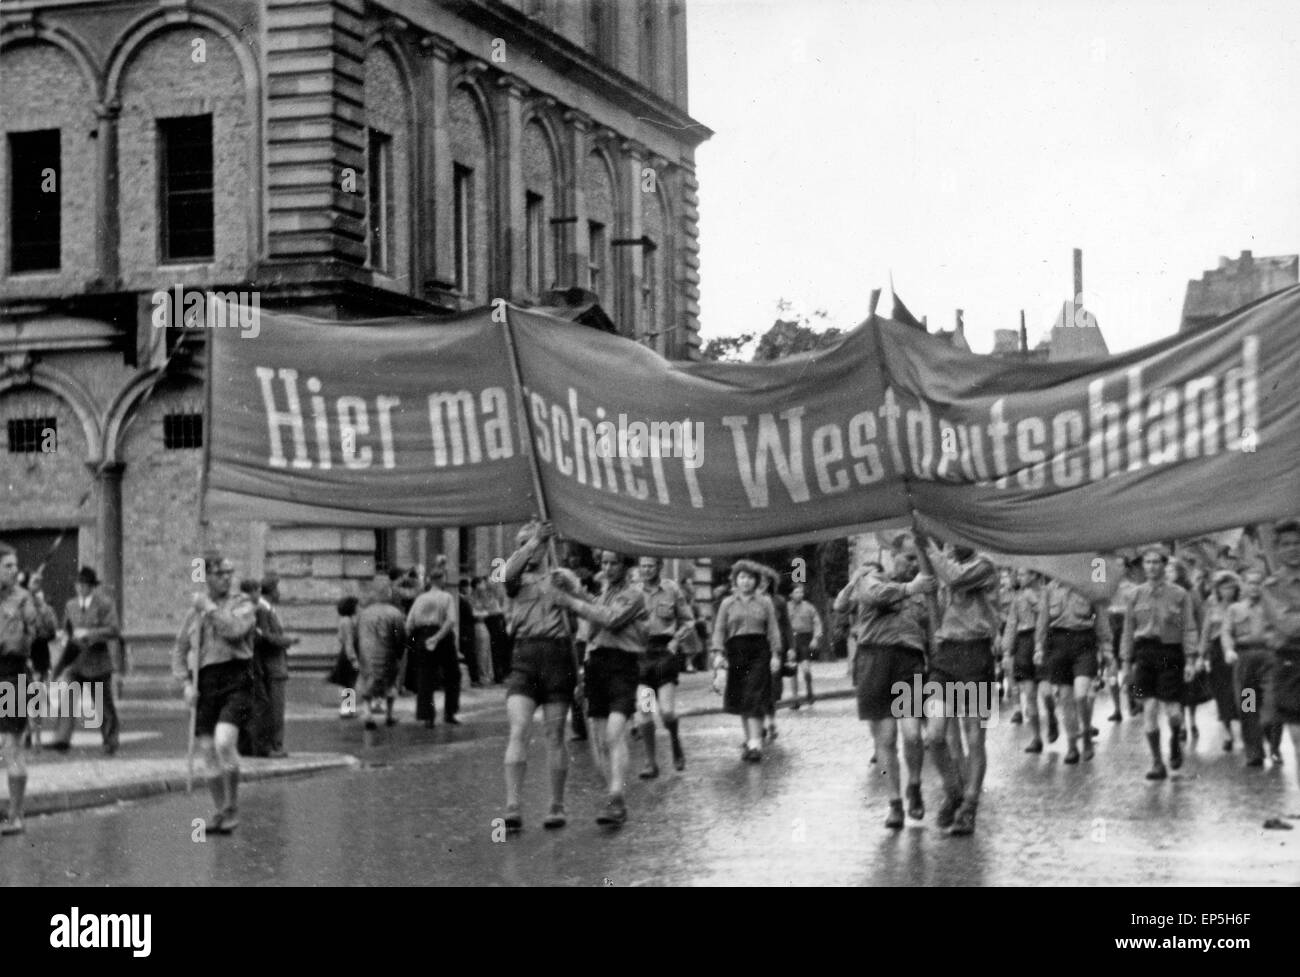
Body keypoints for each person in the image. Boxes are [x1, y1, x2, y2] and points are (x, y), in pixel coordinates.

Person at [835, 549, 934, 829]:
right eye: (908, 557)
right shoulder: (872, 577)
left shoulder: (923, 591)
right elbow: (871, 597)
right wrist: (908, 588)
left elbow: (931, 630)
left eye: (917, 559)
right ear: (894, 557)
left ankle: (914, 785)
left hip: (908, 661)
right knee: (886, 740)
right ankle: (895, 803)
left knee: (913, 734)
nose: (913, 563)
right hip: (874, 659)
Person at [549, 551, 647, 827]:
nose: (608, 567)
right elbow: (594, 607)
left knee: (615, 734)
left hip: (622, 666)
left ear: (625, 566)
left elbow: (610, 618)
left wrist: (570, 600)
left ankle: (616, 796)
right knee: (600, 740)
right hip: (597, 666)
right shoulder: (604, 592)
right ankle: (613, 796)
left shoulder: (634, 595)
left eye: (614, 562)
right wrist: (573, 588)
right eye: (604, 563)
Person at [916, 534, 1000, 836]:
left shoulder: (985, 565)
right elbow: (938, 605)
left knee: (974, 736)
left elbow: (954, 578)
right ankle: (953, 791)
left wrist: (927, 545)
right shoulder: (945, 566)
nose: (950, 543)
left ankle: (970, 806)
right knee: (935, 736)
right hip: (946, 656)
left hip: (976, 655)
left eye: (954, 537)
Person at [499, 521, 578, 831]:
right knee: (519, 729)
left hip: (558, 657)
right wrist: (533, 542)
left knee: (555, 735)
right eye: (522, 543)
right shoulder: (513, 580)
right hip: (525, 656)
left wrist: (571, 588)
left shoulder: (561, 577)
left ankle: (556, 805)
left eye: (535, 543)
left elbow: (582, 609)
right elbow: (507, 574)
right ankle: (513, 805)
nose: (529, 549)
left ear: (549, 546)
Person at [172, 555, 257, 834]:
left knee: (223, 743)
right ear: (207, 576)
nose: (226, 578)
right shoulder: (194, 612)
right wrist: (185, 684)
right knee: (208, 750)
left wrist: (208, 608)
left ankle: (233, 806)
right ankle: (220, 810)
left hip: (238, 678)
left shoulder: (243, 604)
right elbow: (180, 649)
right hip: (206, 682)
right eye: (220, 573)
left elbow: (234, 631)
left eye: (229, 573)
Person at [1120, 545, 1199, 781]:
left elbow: (1189, 628)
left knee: (1174, 712)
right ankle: (1157, 762)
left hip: (1170, 653)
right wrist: (1125, 662)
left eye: (1156, 562)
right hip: (1145, 652)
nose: (1152, 567)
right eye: (1147, 562)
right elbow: (1127, 630)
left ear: (1164, 565)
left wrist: (1191, 659)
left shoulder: (1179, 595)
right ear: (1143, 566)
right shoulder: (1134, 595)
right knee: (1150, 708)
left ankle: (1175, 737)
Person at [1034, 576, 1112, 763]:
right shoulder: (1049, 589)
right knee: (1066, 698)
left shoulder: (1091, 586)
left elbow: (1101, 619)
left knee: (1081, 694)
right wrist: (1038, 647)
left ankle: (1085, 733)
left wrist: (1107, 647)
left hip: (1084, 642)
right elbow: (1043, 620)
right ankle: (1071, 745)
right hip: (1058, 643)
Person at [712, 560, 783, 763]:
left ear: (756, 581)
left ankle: (755, 744)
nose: (746, 582)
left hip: (759, 652)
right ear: (736, 580)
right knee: (743, 698)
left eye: (750, 578)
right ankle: (750, 738)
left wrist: (776, 654)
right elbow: (719, 630)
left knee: (755, 695)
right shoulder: (727, 603)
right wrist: (718, 653)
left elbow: (773, 629)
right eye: (742, 577)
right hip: (736, 651)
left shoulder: (765, 602)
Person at [49, 566, 122, 755]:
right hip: (76, 661)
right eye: (78, 584)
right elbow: (67, 629)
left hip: (98, 662)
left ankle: (110, 741)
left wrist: (90, 633)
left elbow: (114, 630)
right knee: (68, 700)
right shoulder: (71, 605)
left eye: (85, 584)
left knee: (103, 705)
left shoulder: (104, 604)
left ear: (92, 587)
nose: (81, 588)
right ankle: (61, 739)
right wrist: (66, 638)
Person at [634, 556, 694, 778]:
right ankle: (651, 762)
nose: (646, 570)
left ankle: (675, 742)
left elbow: (688, 620)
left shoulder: (671, 589)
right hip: (642, 656)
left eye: (650, 566)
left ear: (659, 567)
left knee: (667, 711)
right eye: (643, 567)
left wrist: (676, 641)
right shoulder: (634, 592)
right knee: (645, 711)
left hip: (665, 655)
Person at [1223, 567, 1280, 767]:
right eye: (1250, 583)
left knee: (1272, 703)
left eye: (1258, 582)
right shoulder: (1235, 609)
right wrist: (1229, 649)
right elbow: (1227, 632)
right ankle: (1254, 752)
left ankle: (1274, 747)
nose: (1254, 587)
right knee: (1249, 706)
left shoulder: (1272, 608)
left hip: (1269, 659)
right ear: (1243, 585)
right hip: (1245, 660)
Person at [1260, 519, 1300, 794]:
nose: (1293, 549)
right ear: (1277, 550)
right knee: (1247, 705)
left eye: (1297, 543)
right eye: (1286, 544)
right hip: (1286, 662)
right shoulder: (1272, 586)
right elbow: (1288, 625)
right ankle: (1259, 748)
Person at [0, 543, 37, 833]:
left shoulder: (23, 599)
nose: (14, 570)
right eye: (8, 565)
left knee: (11, 746)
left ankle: (16, 815)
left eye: (15, 565)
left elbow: (38, 630)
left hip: (12, 676)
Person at [1003, 569, 1056, 752]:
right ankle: (1036, 738)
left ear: (1034, 576)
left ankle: (1051, 715)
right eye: (1018, 574)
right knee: (1030, 694)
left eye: (1024, 574)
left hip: (1044, 641)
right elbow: (1011, 624)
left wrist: (1034, 599)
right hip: (1024, 643)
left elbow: (1050, 615)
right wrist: (1006, 652)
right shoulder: (1017, 598)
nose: (1019, 577)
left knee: (1046, 692)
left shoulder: (1048, 593)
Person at [252, 573, 297, 758]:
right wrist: (287, 640)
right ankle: (273, 746)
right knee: (275, 711)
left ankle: (274, 745)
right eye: (277, 589)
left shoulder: (269, 609)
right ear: (271, 591)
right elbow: (266, 637)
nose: (280, 593)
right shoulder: (263, 610)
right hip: (272, 667)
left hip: (275, 666)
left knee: (275, 710)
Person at [407, 568, 458, 727]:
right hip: (442, 636)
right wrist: (437, 637)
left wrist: (419, 640)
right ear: (442, 580)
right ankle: (449, 713)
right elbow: (450, 621)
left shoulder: (420, 599)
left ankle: (428, 716)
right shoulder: (447, 597)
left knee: (425, 677)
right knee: (452, 675)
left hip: (422, 635)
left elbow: (409, 623)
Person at [1198, 571, 1242, 752]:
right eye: (1224, 587)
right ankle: (1227, 730)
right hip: (1217, 651)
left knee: (1246, 690)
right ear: (1218, 589)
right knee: (1222, 692)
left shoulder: (1242, 604)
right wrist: (1201, 655)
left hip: (1239, 648)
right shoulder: (1212, 605)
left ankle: (1249, 723)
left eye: (1231, 586)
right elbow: (1206, 631)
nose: (1228, 591)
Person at [356, 576, 407, 730]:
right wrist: (399, 653)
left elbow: (357, 634)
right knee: (390, 683)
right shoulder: (395, 613)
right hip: (387, 653)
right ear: (388, 593)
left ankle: (368, 713)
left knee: (368, 681)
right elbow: (400, 636)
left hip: (367, 653)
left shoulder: (364, 613)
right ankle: (389, 715)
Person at [1168, 557, 1207, 741]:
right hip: (1170, 645)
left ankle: (1192, 720)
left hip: (1189, 644)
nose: (1167, 571)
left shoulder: (1192, 592)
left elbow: (1201, 618)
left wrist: (1201, 648)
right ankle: (1182, 723)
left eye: (1171, 568)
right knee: (1175, 686)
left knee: (1190, 687)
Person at [757, 566, 792, 741]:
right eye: (759, 580)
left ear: (770, 583)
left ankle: (771, 721)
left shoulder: (779, 601)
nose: (762, 584)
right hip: (755, 648)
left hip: (776, 648)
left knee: (772, 688)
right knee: (757, 687)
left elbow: (786, 625)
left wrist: (791, 647)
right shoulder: (751, 600)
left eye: (765, 581)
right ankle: (761, 724)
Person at [1106, 558, 1143, 721]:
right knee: (1111, 671)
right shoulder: (1104, 585)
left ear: (1127, 569)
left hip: (1127, 628)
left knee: (1132, 666)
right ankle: (1117, 708)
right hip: (1110, 629)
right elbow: (1095, 567)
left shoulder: (1134, 588)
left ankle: (1133, 696)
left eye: (1120, 566)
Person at [787, 584, 824, 708]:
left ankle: (809, 692)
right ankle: (795, 699)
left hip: (805, 639)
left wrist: (815, 638)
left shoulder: (809, 607)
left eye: (801, 592)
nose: (799, 595)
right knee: (792, 670)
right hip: (791, 639)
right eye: (796, 592)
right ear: (791, 594)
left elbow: (817, 622)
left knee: (806, 668)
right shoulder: (786, 607)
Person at [332, 595, 360, 718]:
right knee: (349, 683)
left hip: (344, 653)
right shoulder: (348, 622)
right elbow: (349, 641)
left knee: (347, 683)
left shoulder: (343, 620)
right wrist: (353, 659)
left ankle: (348, 708)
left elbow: (341, 638)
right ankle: (347, 709)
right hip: (349, 655)